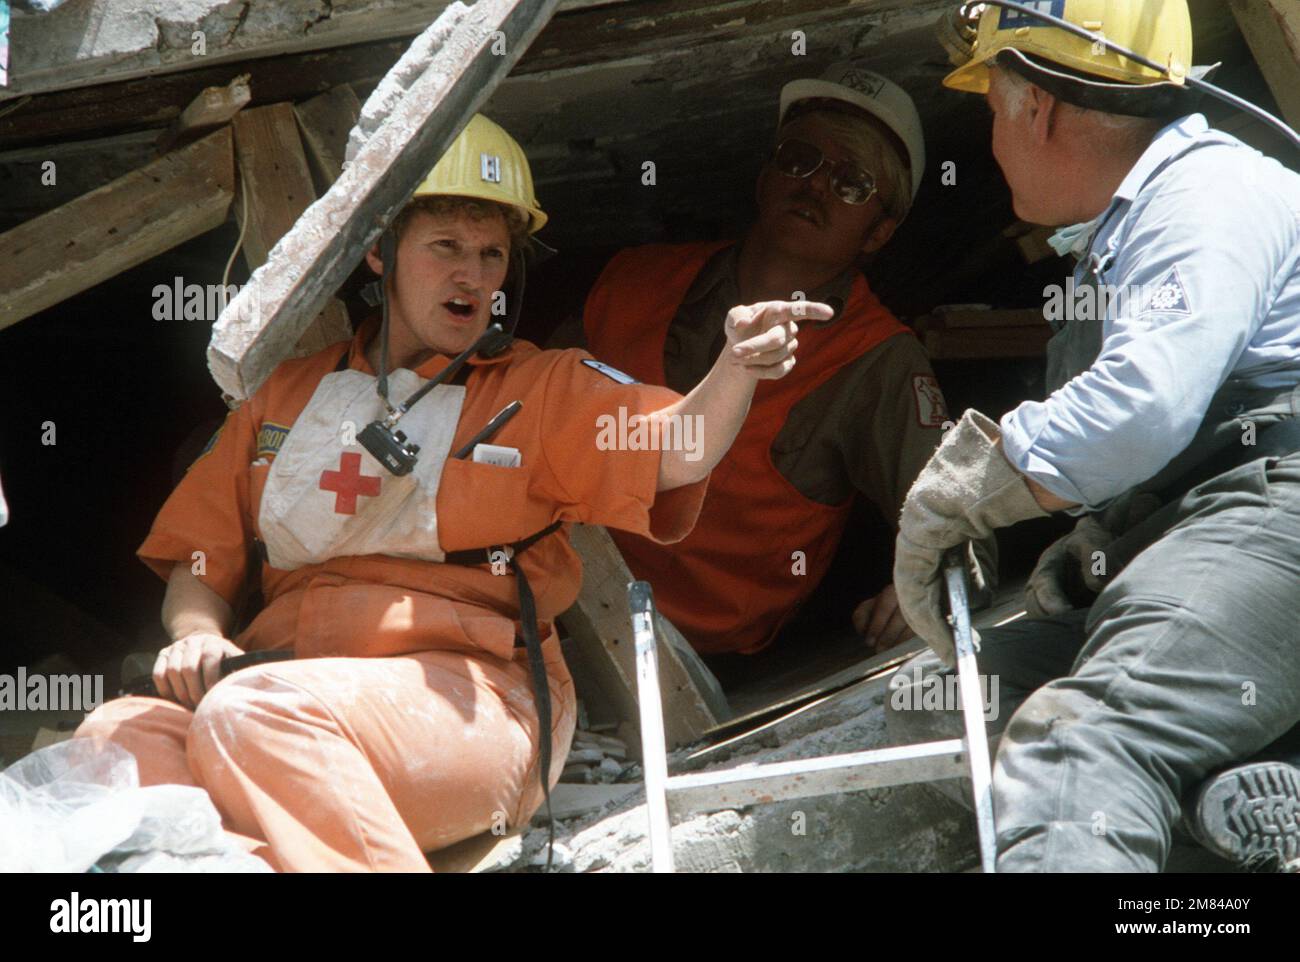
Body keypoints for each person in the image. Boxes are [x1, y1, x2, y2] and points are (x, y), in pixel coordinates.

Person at [74, 114, 823, 871]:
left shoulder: (539, 387)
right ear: (378, 252)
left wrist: (736, 368)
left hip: (480, 704)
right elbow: (201, 557)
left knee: (255, 719)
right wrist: (196, 633)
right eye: (445, 248)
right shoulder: (287, 394)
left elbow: (678, 450)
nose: (473, 275)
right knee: (114, 743)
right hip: (285, 689)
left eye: (491, 254)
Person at [888, 0, 1300, 872]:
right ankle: (1254, 778)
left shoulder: (1209, 197)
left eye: (991, 105)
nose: (992, 139)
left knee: (1075, 744)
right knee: (960, 697)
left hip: (1277, 516)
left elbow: (1145, 405)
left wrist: (974, 489)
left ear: (1034, 106)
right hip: (1221, 522)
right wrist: (1104, 546)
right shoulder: (1132, 223)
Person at [558, 63, 989, 660]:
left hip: (694, 653)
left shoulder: (877, 358)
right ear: (764, 178)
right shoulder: (632, 276)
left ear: (878, 233)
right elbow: (515, 403)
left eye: (852, 184)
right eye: (799, 159)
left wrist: (939, 576)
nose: (815, 186)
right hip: (549, 588)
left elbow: (958, 504)